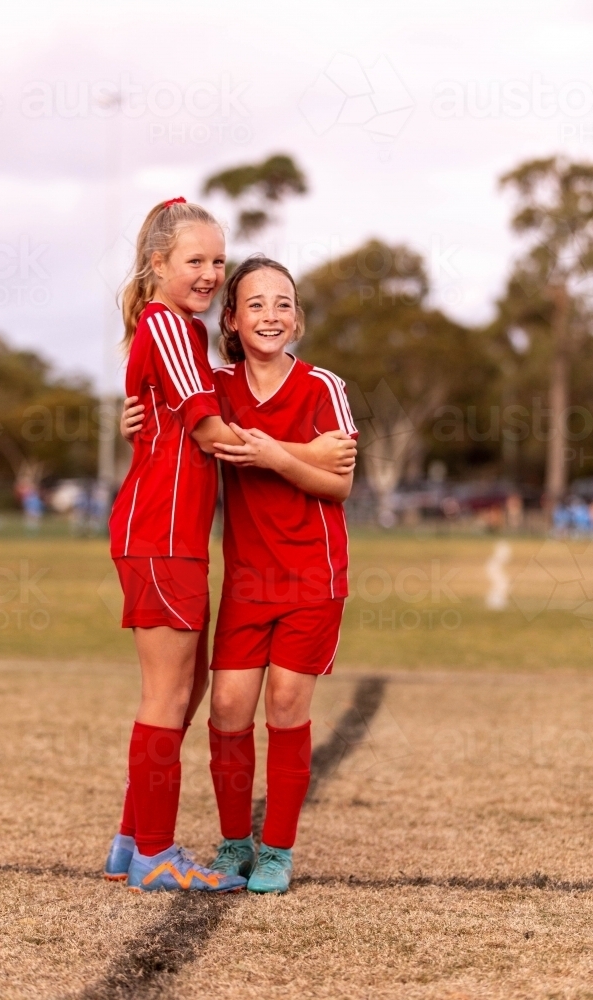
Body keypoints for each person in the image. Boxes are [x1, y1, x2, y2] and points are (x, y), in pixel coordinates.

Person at [108, 202, 355, 894]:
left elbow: (336, 480)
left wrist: (140, 414)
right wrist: (298, 450)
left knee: (183, 696)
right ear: (157, 265)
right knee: (176, 698)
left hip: (213, 551)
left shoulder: (187, 338)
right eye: (198, 261)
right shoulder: (179, 337)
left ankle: (133, 843)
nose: (210, 273)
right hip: (162, 537)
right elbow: (209, 431)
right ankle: (155, 851)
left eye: (218, 261)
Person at [205, 256, 356, 893]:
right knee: (229, 706)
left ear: (297, 319)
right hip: (245, 580)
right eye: (256, 304)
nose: (272, 315)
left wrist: (277, 454)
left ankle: (277, 850)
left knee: (287, 705)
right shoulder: (216, 387)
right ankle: (235, 839)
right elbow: (216, 439)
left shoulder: (323, 387)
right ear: (232, 320)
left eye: (284, 303)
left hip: (311, 579)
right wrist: (135, 418)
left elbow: (340, 481)